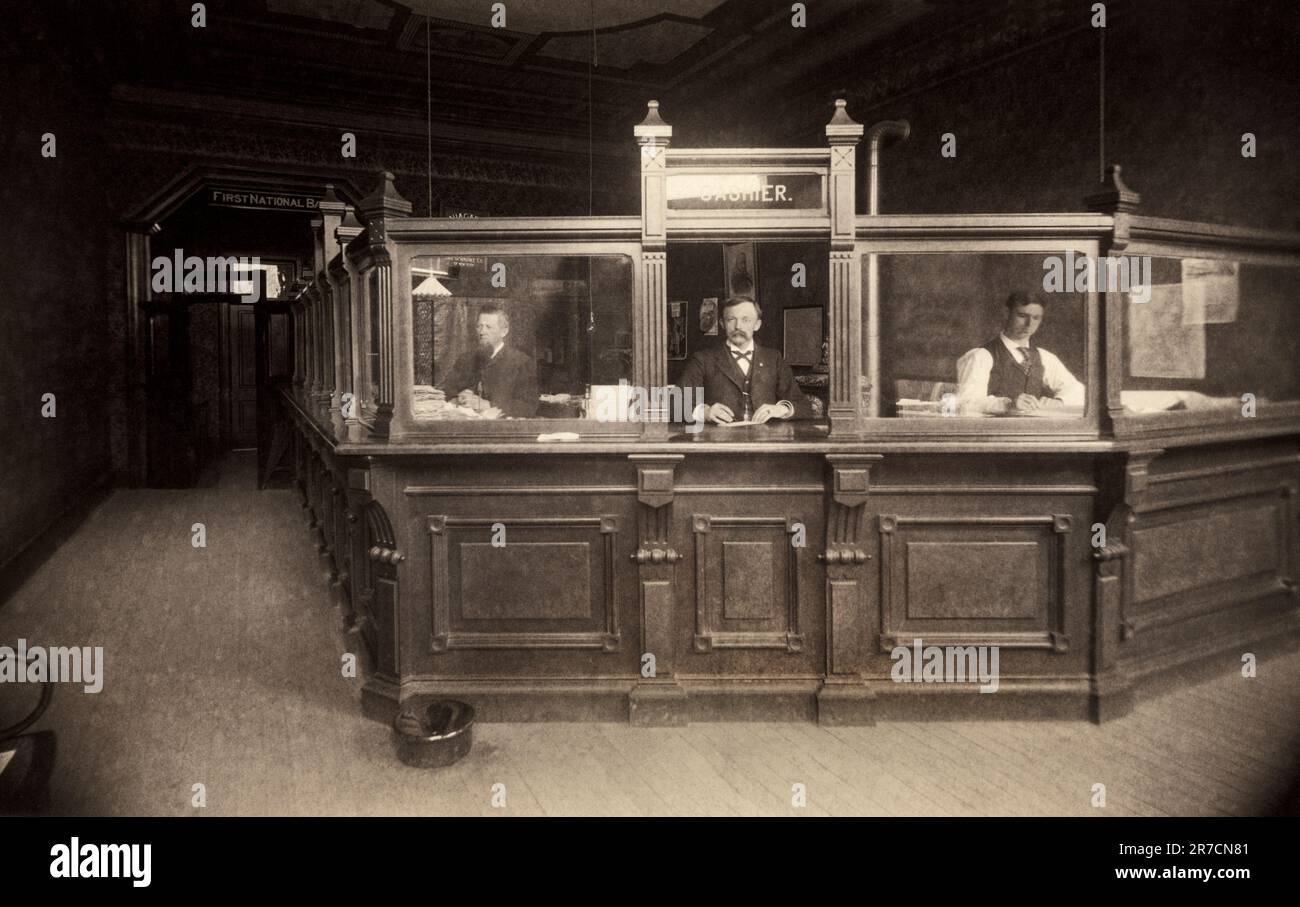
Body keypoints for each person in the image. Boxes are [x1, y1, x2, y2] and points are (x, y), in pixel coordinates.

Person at [679, 297, 813, 424]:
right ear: (722, 324)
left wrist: (782, 409)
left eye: (746, 320)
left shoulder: (774, 359)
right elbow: (674, 403)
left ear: (757, 324)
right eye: (731, 319)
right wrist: (705, 412)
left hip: (767, 443)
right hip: (719, 443)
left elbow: (804, 406)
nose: (738, 326)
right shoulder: (703, 359)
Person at [956, 292, 1084, 414]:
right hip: (994, 432)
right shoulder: (981, 356)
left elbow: (1079, 392)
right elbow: (967, 403)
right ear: (1006, 314)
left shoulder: (1045, 357)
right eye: (1022, 316)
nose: (1029, 324)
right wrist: (1008, 405)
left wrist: (1059, 402)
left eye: (1036, 318)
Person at [438, 304, 538, 417]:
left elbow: (529, 406)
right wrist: (459, 398)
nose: (482, 332)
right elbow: (445, 393)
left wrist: (488, 405)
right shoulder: (465, 359)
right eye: (479, 326)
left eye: (488, 327)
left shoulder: (521, 362)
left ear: (504, 331)